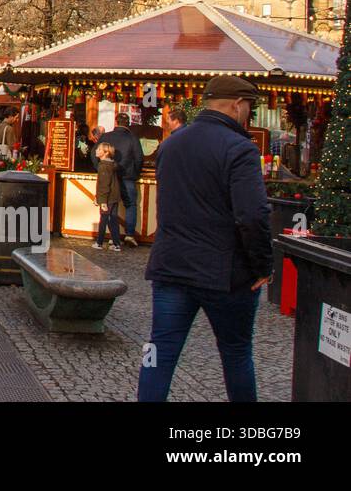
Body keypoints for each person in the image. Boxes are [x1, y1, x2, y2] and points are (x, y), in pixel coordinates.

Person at [137, 76, 272, 403]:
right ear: (237, 105)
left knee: (160, 351)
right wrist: (262, 267)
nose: (248, 114)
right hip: (225, 274)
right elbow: (252, 215)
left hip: (171, 266)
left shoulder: (171, 144)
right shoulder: (240, 149)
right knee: (236, 354)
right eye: (249, 107)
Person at [99, 115, 145, 247]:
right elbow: (139, 158)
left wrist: (101, 169)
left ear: (116, 122)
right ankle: (129, 235)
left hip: (109, 176)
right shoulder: (132, 138)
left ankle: (114, 236)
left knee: (111, 205)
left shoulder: (106, 137)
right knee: (130, 204)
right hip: (127, 177)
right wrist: (135, 173)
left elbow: (93, 153)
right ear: (128, 123)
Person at [92, 142, 123, 251]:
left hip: (107, 198)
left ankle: (99, 242)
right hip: (114, 196)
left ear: (105, 153)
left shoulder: (103, 166)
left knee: (104, 219)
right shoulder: (112, 165)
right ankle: (116, 244)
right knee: (113, 220)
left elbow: (104, 185)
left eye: (99, 150)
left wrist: (103, 201)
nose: (96, 151)